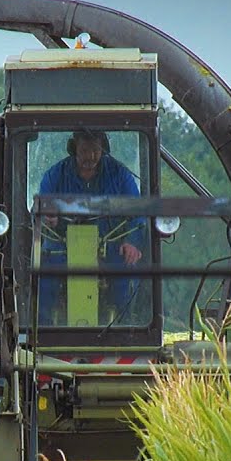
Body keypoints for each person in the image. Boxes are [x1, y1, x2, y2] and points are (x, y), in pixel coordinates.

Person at [36, 130, 144, 324]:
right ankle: (43, 330)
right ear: (73, 148)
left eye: (95, 150)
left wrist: (131, 242)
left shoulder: (120, 175)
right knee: (42, 274)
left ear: (103, 149)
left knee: (127, 274)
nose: (90, 157)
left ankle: (124, 329)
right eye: (85, 150)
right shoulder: (54, 175)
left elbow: (137, 211)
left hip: (109, 245)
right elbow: (42, 206)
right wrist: (48, 217)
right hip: (62, 246)